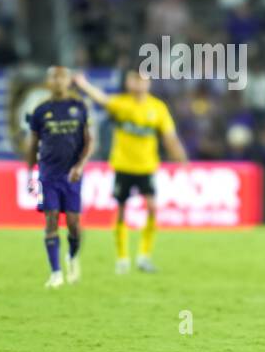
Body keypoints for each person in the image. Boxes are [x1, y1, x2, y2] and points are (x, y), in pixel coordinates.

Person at [73, 70, 188, 273]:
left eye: (142, 79)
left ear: (149, 82)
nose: (138, 83)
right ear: (127, 82)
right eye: (134, 78)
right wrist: (82, 84)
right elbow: (101, 99)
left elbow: (169, 136)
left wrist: (181, 158)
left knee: (152, 207)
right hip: (123, 166)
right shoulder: (121, 104)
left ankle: (144, 256)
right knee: (121, 211)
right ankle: (123, 258)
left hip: (146, 167)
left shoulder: (157, 108)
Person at [23, 66, 94, 288]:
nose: (58, 81)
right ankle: (55, 273)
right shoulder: (40, 110)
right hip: (48, 174)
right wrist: (29, 173)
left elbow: (89, 141)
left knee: (73, 224)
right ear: (48, 81)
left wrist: (80, 165)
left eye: (62, 77)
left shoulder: (79, 106)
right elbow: (32, 143)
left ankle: (72, 257)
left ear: (68, 80)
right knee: (51, 219)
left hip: (72, 175)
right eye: (54, 77)